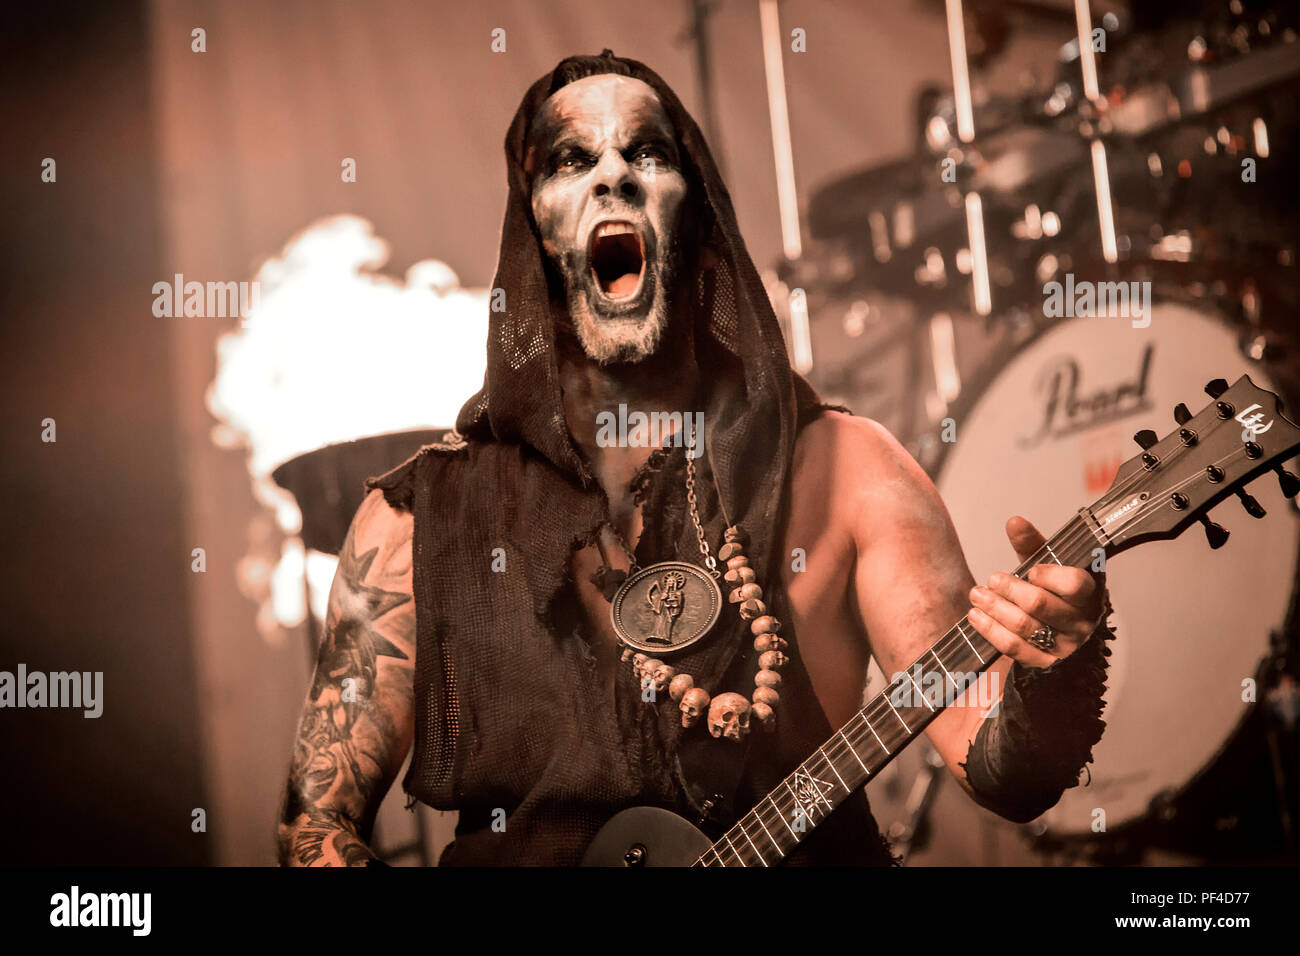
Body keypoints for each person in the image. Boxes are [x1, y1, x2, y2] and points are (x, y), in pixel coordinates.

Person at [278, 51, 1112, 867]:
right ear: (532, 225)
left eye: (647, 152)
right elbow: (313, 825)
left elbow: (1003, 772)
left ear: (697, 214)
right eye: (573, 158)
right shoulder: (416, 523)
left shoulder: (850, 471)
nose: (615, 176)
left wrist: (1058, 672)